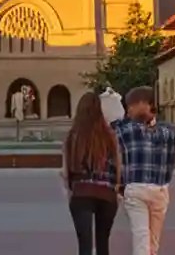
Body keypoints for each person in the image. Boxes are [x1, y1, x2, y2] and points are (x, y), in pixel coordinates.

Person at [112, 86, 175, 255]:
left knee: (141, 236)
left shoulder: (126, 131)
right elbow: (171, 162)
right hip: (160, 189)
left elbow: (112, 128)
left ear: (142, 104)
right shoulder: (169, 132)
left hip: (135, 188)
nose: (127, 112)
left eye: (130, 106)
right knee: (153, 240)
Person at [61, 91, 121, 255]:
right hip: (107, 194)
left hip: (81, 193)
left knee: (85, 245)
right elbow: (118, 165)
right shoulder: (109, 135)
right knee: (103, 243)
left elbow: (66, 172)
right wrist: (116, 188)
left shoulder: (73, 136)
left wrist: (70, 191)